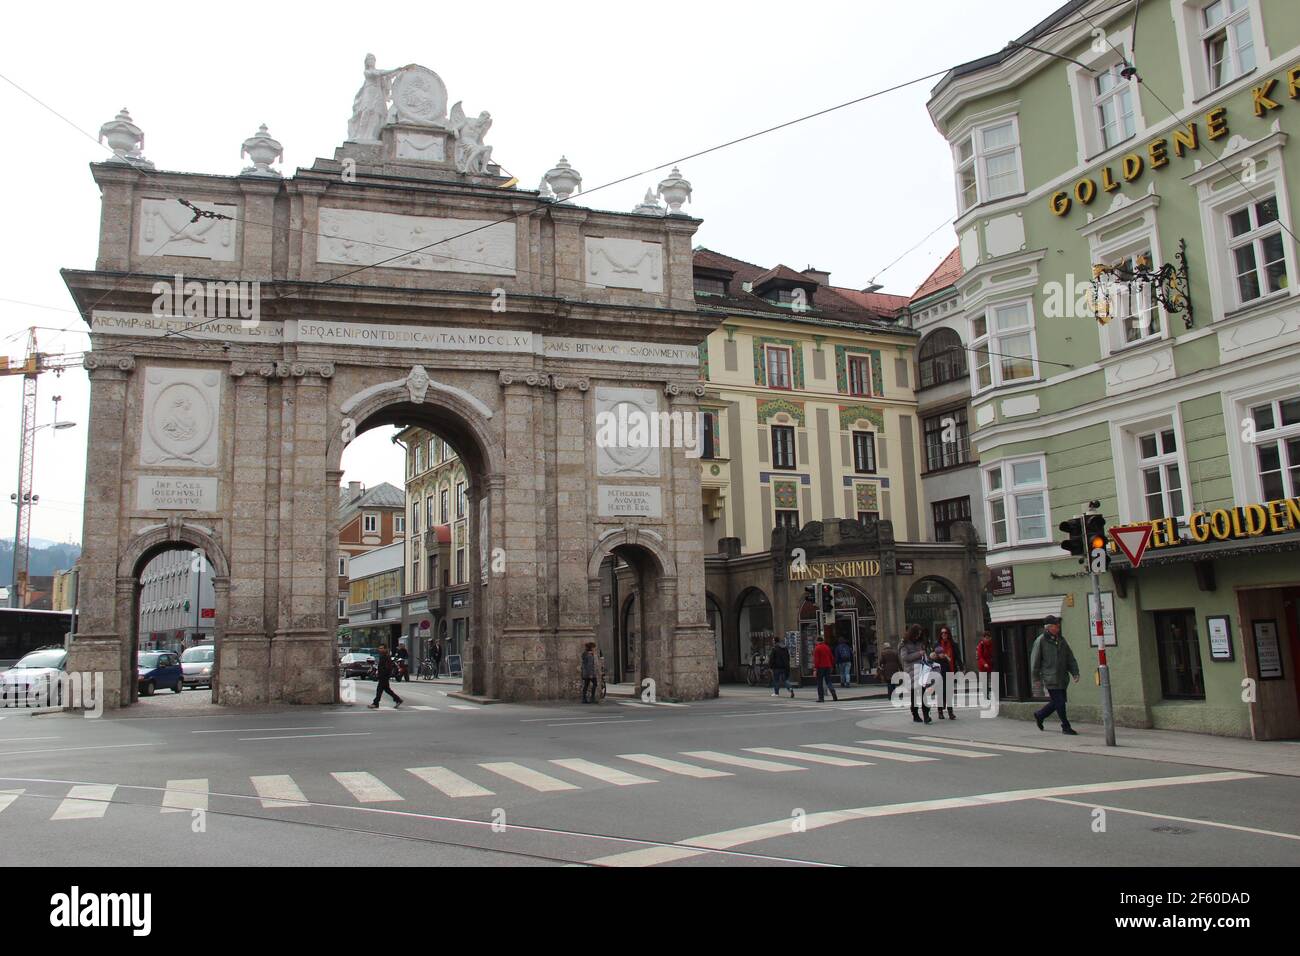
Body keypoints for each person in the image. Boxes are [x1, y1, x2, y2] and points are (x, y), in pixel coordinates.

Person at [1030, 615, 1079, 734]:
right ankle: (1065, 726)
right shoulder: (1041, 641)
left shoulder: (1061, 640)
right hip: (1050, 677)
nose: (1058, 627)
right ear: (1049, 627)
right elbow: (1035, 660)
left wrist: (1075, 672)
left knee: (1058, 701)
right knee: (1060, 702)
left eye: (1058, 625)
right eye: (1056, 626)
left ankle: (1040, 715)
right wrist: (1035, 677)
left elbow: (1069, 657)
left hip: (1062, 677)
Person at [898, 624, 930, 723]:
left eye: (920, 634)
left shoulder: (920, 642)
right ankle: (915, 714)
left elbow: (924, 654)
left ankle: (926, 715)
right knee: (914, 694)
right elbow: (905, 658)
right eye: (917, 634)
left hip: (921, 670)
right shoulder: (904, 643)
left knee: (924, 692)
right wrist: (918, 654)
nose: (918, 636)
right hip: (911, 671)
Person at [368, 644, 403, 709]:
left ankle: (375, 703)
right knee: (387, 690)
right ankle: (398, 700)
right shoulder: (382, 656)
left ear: (385, 649)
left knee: (379, 690)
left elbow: (388, 668)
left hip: (384, 676)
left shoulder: (386, 656)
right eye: (379, 648)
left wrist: (384, 675)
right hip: (382, 676)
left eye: (382, 648)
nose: (380, 649)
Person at [936, 625, 960, 719]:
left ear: (948, 634)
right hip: (940, 671)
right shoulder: (937, 644)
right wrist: (938, 656)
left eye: (945, 632)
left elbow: (957, 656)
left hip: (950, 670)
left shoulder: (953, 644)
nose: (944, 634)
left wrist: (961, 667)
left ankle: (950, 712)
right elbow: (933, 657)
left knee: (949, 692)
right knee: (940, 691)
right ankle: (940, 711)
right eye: (942, 633)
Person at [812, 635, 838, 702]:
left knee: (819, 683)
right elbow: (831, 657)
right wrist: (832, 666)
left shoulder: (817, 648)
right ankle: (833, 693)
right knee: (828, 681)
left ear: (817, 641)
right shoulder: (827, 647)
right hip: (828, 666)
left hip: (820, 667)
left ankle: (821, 698)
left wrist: (815, 669)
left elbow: (816, 660)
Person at [976, 631, 997, 701]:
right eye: (986, 638)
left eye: (989, 638)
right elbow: (980, 656)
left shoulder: (992, 644)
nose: (987, 639)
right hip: (983, 665)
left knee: (994, 678)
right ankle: (986, 695)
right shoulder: (981, 645)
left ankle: (996, 692)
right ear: (983, 638)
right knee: (985, 680)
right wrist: (984, 663)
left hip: (990, 664)